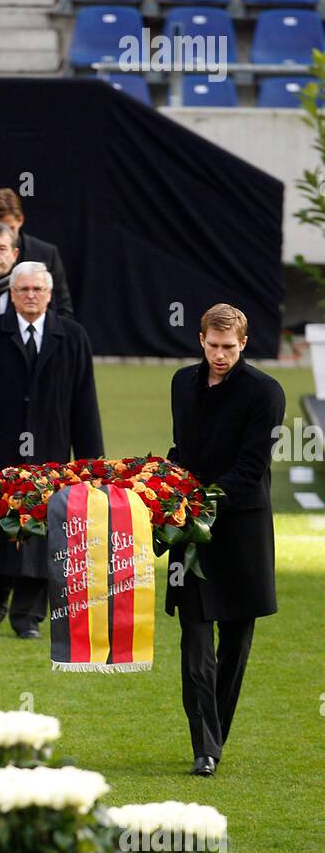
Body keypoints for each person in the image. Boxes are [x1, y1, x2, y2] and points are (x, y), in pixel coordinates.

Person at [165, 304, 286, 777]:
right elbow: (182, 450)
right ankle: (205, 747)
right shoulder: (181, 383)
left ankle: (213, 738)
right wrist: (160, 481)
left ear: (244, 343)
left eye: (229, 347)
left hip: (241, 530)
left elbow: (251, 466)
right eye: (213, 346)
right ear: (200, 340)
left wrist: (202, 502)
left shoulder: (265, 392)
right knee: (195, 639)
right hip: (190, 531)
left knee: (235, 644)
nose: (220, 355)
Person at [0, 262, 103, 639]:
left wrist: (92, 464)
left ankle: (28, 616)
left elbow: (85, 402)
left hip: (51, 450)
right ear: (11, 294)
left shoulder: (72, 336)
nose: (30, 295)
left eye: (37, 289)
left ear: (50, 294)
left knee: (44, 529)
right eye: (23, 289)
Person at [0, 187, 74, 318]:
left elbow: (62, 308)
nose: (5, 234)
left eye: (10, 228)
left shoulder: (45, 254)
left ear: (20, 220)